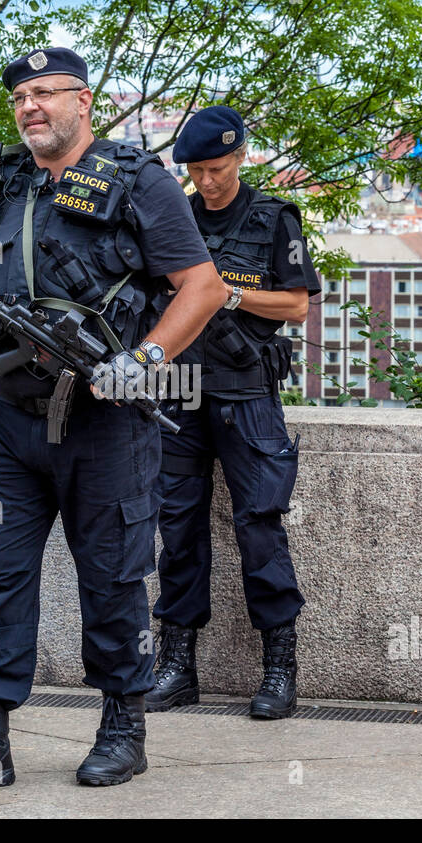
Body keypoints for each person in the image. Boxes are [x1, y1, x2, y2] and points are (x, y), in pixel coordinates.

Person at [0, 46, 227, 794]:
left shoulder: (136, 181)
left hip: (105, 423)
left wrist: (142, 360)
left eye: (48, 94)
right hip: (9, 424)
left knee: (112, 580)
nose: (31, 107)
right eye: (21, 97)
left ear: (85, 102)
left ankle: (123, 724)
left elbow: (202, 288)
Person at [146, 106, 316, 720]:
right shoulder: (176, 217)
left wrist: (229, 293)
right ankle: (176, 664)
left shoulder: (273, 218)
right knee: (178, 529)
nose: (207, 181)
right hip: (181, 390)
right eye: (195, 171)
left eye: (216, 168)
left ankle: (279, 666)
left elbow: (297, 306)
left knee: (260, 525)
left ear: (240, 155)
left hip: (247, 393)